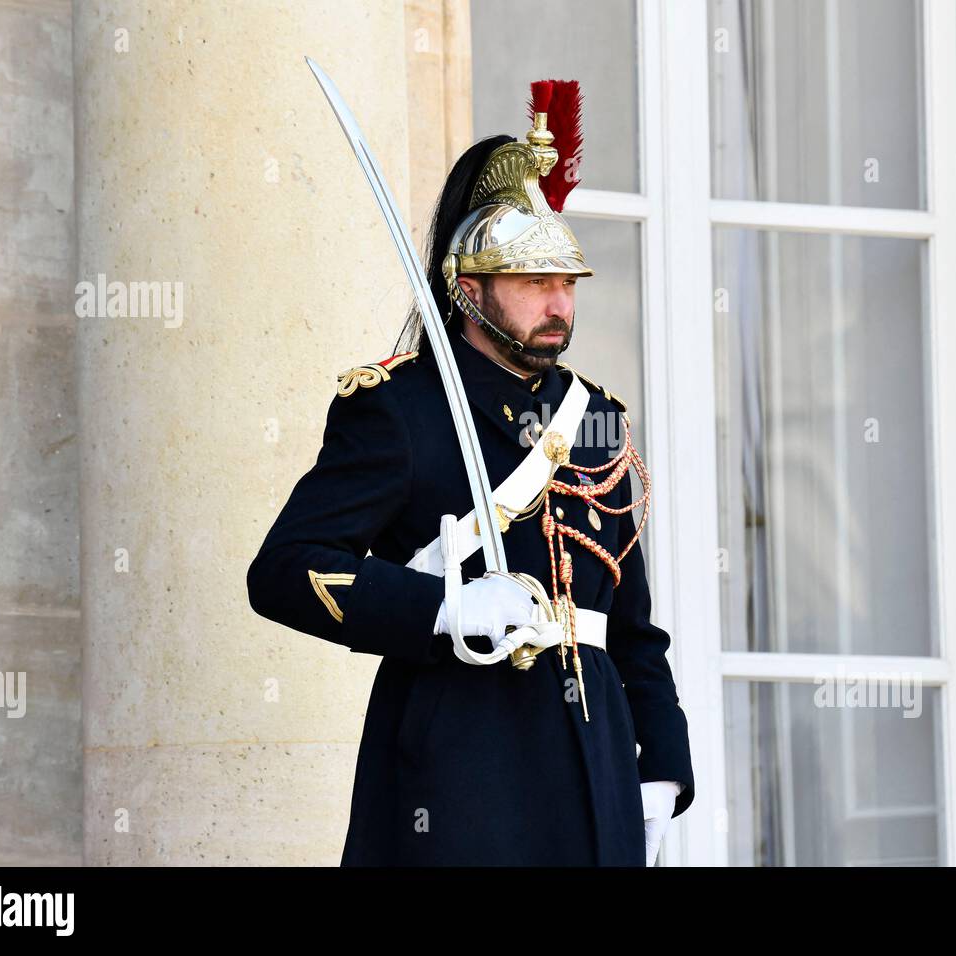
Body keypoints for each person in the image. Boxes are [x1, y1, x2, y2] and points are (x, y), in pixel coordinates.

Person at [246, 80, 693, 866]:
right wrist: (439, 609)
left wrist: (661, 762)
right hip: (461, 767)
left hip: (594, 769)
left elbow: (630, 621)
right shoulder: (399, 408)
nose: (559, 304)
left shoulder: (594, 416)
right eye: (533, 283)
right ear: (469, 289)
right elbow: (285, 571)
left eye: (566, 284)